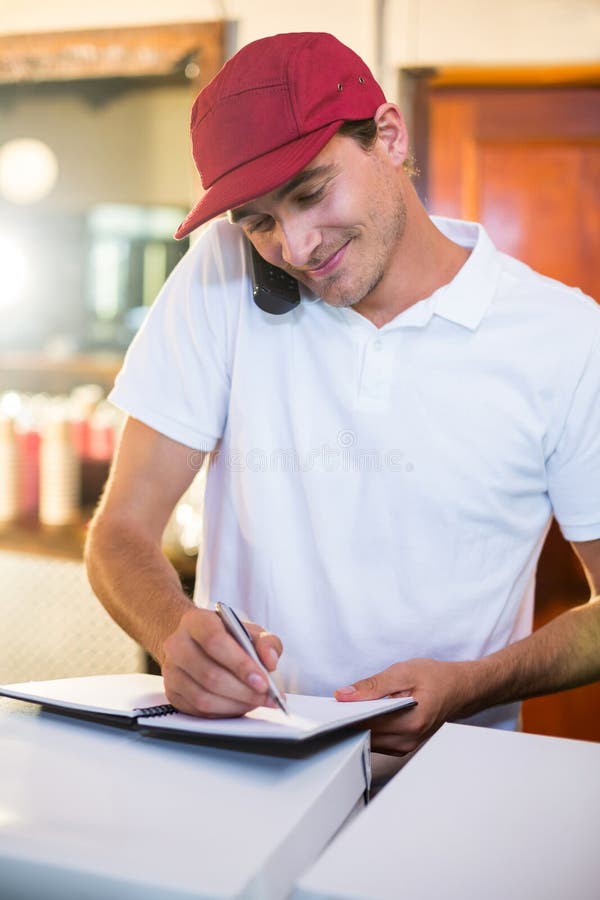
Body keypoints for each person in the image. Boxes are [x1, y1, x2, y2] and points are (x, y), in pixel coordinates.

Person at [85, 31, 600, 759]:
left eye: (311, 192)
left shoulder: (568, 337)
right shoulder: (218, 276)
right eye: (259, 220)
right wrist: (171, 629)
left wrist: (472, 684)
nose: (295, 248)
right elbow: (120, 531)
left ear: (388, 136)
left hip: (452, 778)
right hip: (246, 759)